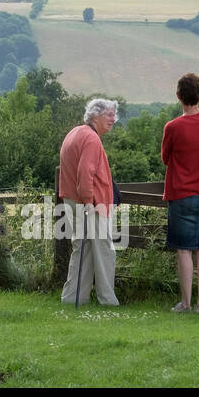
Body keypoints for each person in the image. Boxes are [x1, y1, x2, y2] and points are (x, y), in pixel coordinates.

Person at [160, 72, 199, 313]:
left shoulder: (172, 127)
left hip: (181, 196)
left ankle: (185, 303)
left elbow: (166, 159)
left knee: (184, 250)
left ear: (178, 96)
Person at [58, 98, 119, 306]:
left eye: (114, 115)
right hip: (90, 203)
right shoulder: (91, 139)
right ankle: (108, 301)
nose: (114, 119)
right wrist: (88, 201)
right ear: (94, 115)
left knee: (82, 250)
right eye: (109, 114)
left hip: (72, 200)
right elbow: (86, 172)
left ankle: (73, 298)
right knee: (104, 251)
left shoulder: (75, 133)